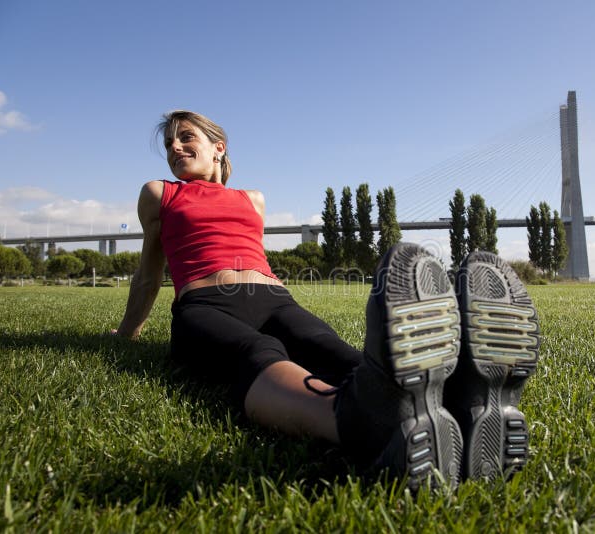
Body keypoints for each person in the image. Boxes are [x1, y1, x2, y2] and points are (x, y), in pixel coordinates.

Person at [115, 110, 541, 489]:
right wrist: (128, 331)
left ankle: (458, 407)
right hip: (205, 307)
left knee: (326, 345)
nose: (174, 146)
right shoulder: (159, 193)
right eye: (169, 142)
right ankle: (353, 420)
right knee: (259, 350)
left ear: (217, 147)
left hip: (273, 298)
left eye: (186, 137)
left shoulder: (252, 199)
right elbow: (149, 272)